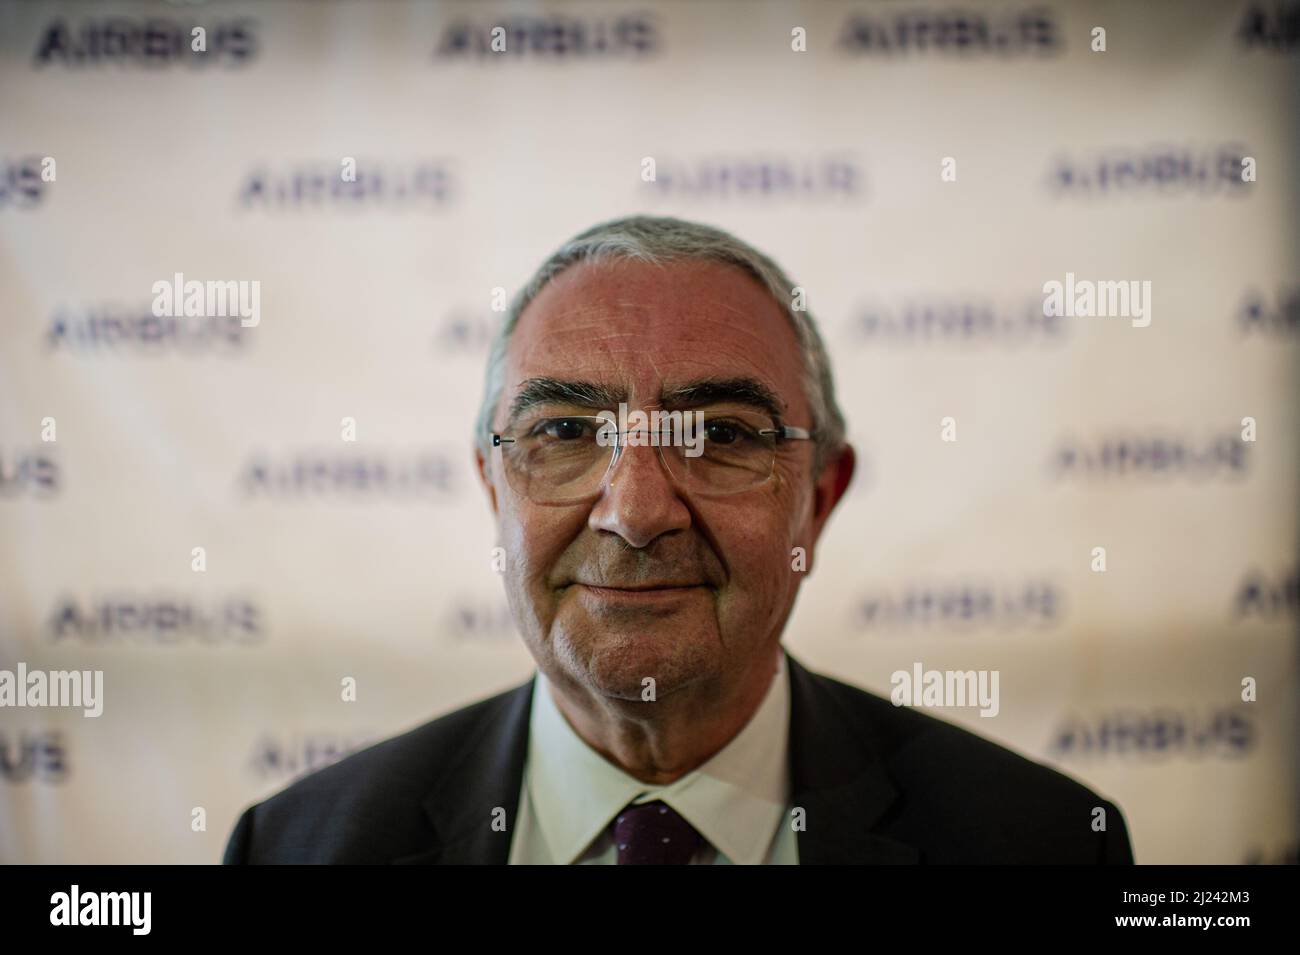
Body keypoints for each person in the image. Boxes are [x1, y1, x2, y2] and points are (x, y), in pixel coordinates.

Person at [223, 215, 1134, 864]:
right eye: (567, 434)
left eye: (724, 435)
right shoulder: (302, 848)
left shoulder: (1040, 841)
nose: (636, 510)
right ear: (492, 484)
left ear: (819, 497)